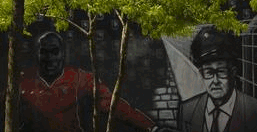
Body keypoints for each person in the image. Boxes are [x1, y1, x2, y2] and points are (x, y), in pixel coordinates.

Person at [19, 31, 162, 132]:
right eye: (44, 52)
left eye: (54, 51)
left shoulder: (79, 78)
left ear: (63, 53)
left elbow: (114, 105)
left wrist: (151, 127)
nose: (49, 58)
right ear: (36, 54)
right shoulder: (21, 79)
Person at [177, 25, 257, 132]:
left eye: (221, 71)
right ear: (201, 73)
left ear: (233, 72)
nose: (215, 81)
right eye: (209, 73)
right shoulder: (187, 111)